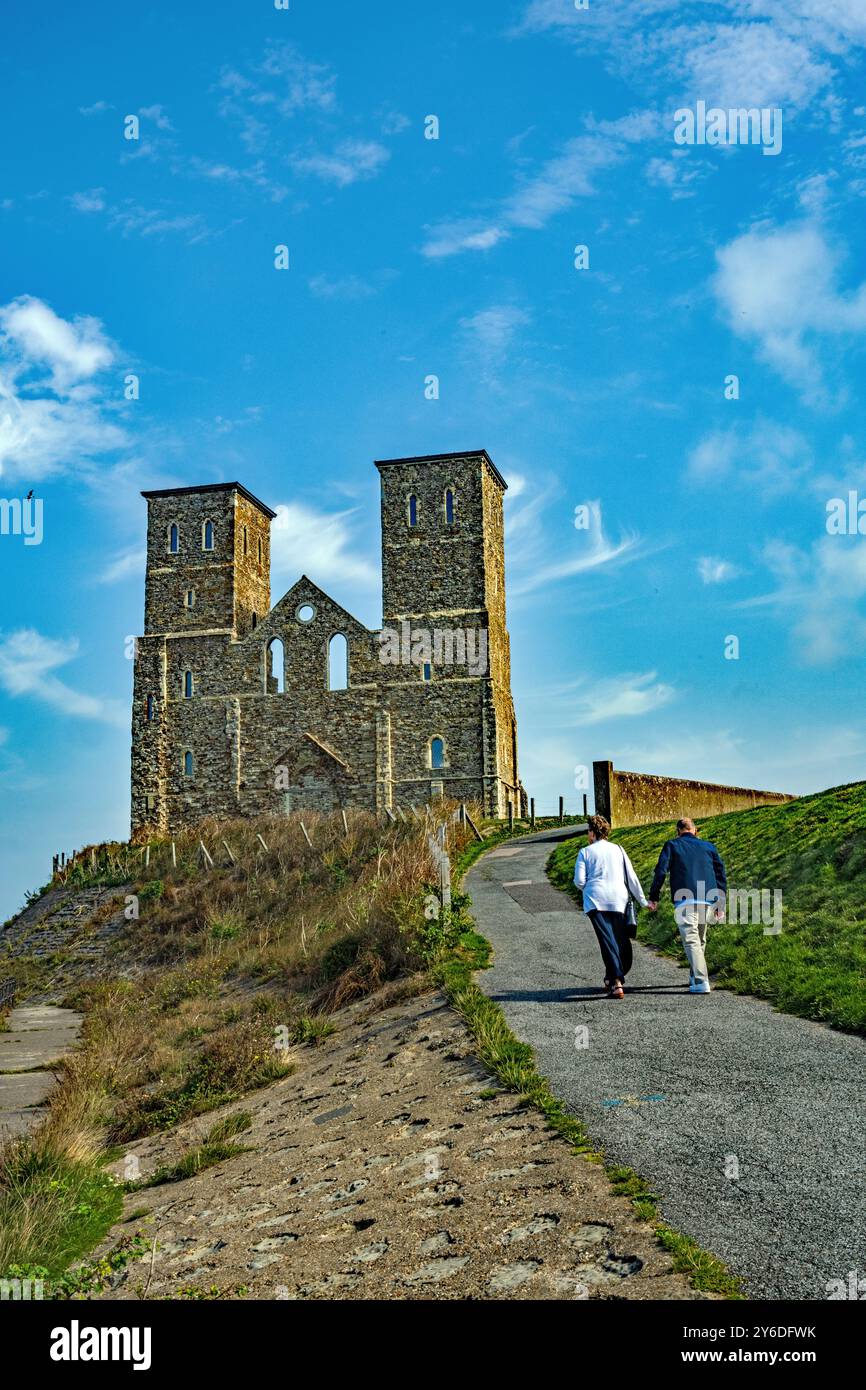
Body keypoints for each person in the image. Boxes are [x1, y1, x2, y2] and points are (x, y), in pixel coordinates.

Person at [647, 817, 727, 995]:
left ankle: (700, 980)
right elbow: (721, 873)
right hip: (708, 898)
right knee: (700, 940)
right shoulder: (709, 847)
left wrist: (654, 896)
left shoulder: (672, 845)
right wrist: (721, 903)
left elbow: (660, 870)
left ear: (678, 831)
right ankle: (694, 976)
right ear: (695, 830)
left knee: (691, 940)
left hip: (685, 898)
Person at [573, 814, 648, 999]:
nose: (587, 835)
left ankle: (616, 982)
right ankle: (610, 976)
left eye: (588, 831)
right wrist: (643, 901)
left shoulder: (585, 852)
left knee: (607, 941)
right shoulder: (619, 850)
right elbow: (631, 878)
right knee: (616, 939)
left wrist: (588, 886)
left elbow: (579, 881)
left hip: (596, 901)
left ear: (592, 832)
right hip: (618, 899)